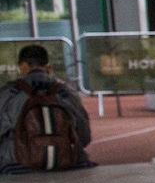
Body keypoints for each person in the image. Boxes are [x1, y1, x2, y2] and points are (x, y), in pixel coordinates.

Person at [1, 43, 93, 172]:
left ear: (22, 66)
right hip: (69, 164)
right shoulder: (67, 92)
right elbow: (85, 136)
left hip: (17, 166)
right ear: (48, 67)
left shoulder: (7, 93)